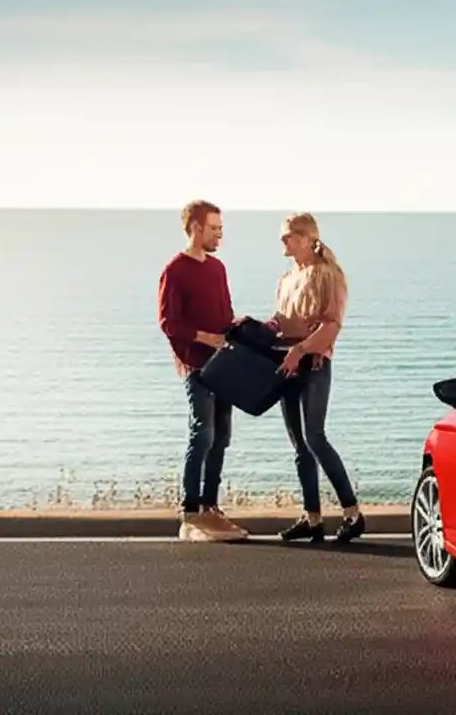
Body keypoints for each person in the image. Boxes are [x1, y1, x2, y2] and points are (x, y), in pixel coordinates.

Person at [264, 212, 365, 544]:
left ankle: (353, 514)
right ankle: (313, 518)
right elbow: (283, 320)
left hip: (313, 364)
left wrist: (302, 350)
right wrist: (262, 328)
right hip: (287, 363)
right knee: (300, 445)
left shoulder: (328, 275)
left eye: (289, 235)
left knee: (315, 437)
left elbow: (331, 325)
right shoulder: (286, 278)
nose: (283, 240)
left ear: (308, 238)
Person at [156, 199, 248, 543]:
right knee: (203, 433)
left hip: (224, 365)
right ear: (195, 227)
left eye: (221, 228)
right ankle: (190, 511)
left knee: (222, 436)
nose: (220, 234)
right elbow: (169, 322)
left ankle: (211, 507)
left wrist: (239, 329)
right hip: (197, 366)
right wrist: (204, 338)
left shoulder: (218, 268)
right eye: (214, 228)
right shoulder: (175, 270)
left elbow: (225, 313)